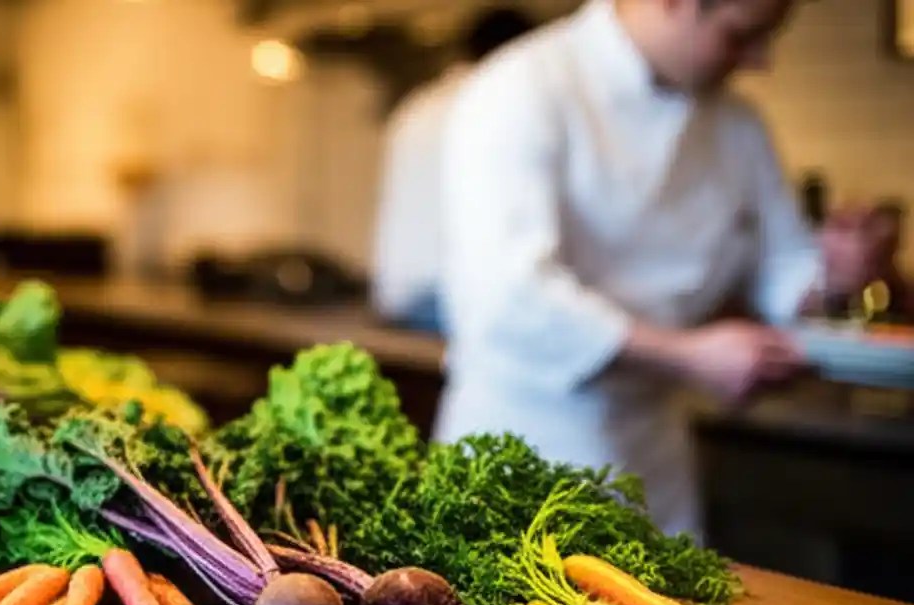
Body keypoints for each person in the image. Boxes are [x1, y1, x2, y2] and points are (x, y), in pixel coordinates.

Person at [435, 0, 893, 540]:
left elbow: (784, 272)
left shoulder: (738, 124)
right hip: (525, 445)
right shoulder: (521, 89)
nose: (761, 60)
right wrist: (689, 356)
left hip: (653, 455)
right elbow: (509, 296)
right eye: (742, 35)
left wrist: (836, 274)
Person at [369, 7, 538, 333]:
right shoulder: (500, 103)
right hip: (447, 299)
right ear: (520, 53)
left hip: (396, 297)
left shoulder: (420, 102)